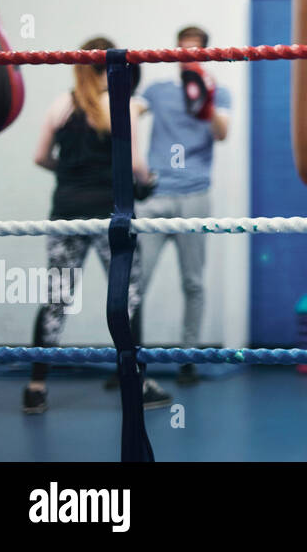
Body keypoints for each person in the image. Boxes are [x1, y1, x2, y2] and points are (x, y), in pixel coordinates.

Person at [25, 36, 172, 413]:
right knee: (127, 298)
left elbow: (40, 156)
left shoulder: (61, 104)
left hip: (66, 212)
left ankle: (36, 387)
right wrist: (149, 180)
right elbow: (137, 166)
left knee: (56, 300)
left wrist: (73, 175)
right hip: (111, 215)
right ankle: (136, 385)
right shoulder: (120, 106)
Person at [132, 25, 230, 385]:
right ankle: (129, 361)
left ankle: (188, 358)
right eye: (181, 49)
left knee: (193, 282)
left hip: (195, 196)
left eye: (193, 50)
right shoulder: (157, 90)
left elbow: (222, 133)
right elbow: (127, 110)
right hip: (156, 196)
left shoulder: (221, 93)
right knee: (134, 282)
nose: (186, 55)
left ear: (205, 53)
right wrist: (136, 164)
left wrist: (207, 100)